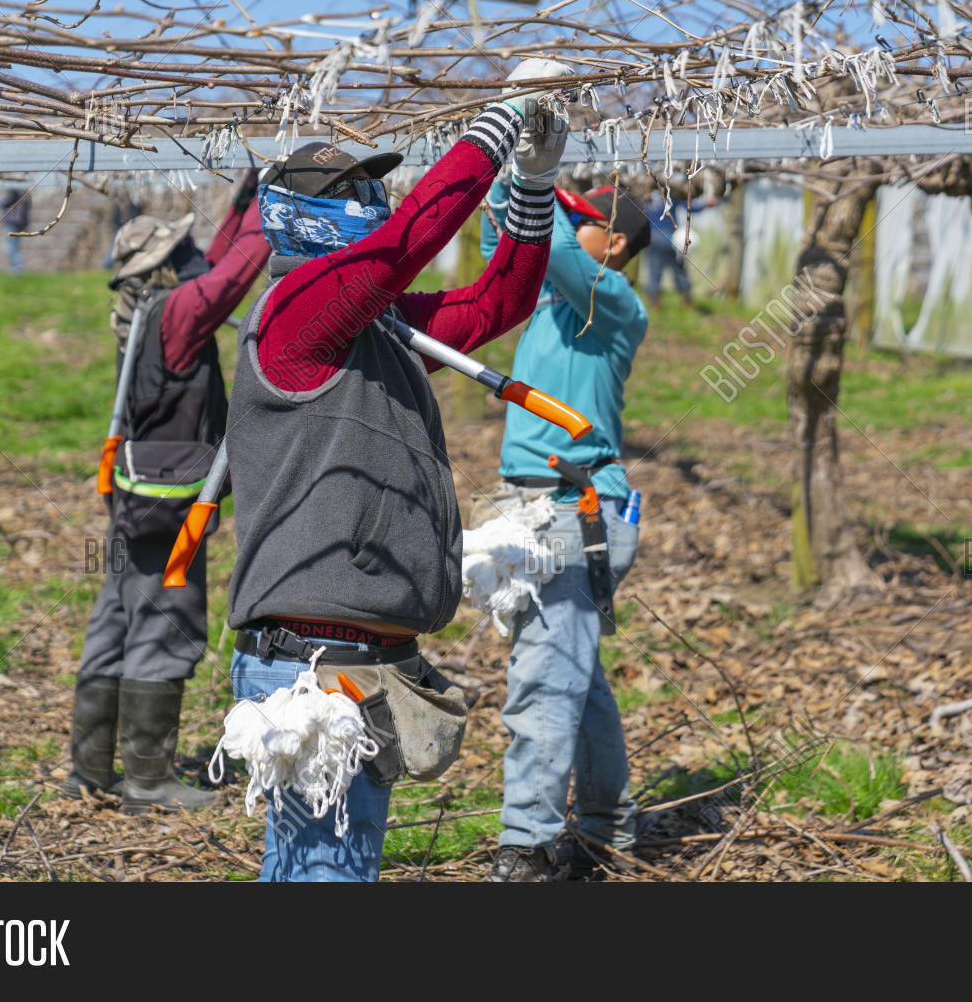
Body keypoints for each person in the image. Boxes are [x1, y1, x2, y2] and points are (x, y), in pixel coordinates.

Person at [225, 60, 571, 882]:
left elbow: (495, 305)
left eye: (373, 189)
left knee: (316, 871)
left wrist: (534, 181)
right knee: (328, 876)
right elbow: (404, 243)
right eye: (349, 189)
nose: (369, 201)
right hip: (318, 664)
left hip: (360, 652)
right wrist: (499, 121)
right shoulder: (295, 314)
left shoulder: (375, 326)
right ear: (299, 214)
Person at [65, 172, 270, 814]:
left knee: (114, 622)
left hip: (134, 502)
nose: (193, 256)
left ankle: (90, 770)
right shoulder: (177, 314)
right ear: (162, 268)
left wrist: (244, 204)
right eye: (181, 251)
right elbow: (232, 278)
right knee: (165, 624)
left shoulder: (149, 310)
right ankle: (150, 780)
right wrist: (278, 206)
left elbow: (216, 264)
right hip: (167, 509)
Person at [478, 179, 651, 881]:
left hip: (574, 511)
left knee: (546, 681)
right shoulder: (554, 295)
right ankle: (609, 830)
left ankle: (529, 848)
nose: (565, 226)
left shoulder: (613, 303)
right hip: (542, 506)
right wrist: (505, 170)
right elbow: (505, 242)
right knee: (577, 676)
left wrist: (537, 172)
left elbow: (544, 239)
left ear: (613, 244)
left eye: (583, 221)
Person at [642, 189, 693, 309]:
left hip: (652, 236)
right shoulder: (670, 193)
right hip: (670, 237)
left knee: (654, 271)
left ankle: (654, 306)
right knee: (679, 270)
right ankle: (689, 305)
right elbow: (690, 206)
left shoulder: (645, 194)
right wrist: (707, 203)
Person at [0, 188, 30, 273]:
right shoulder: (24, 196)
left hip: (12, 224)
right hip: (19, 224)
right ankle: (16, 268)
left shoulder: (14, 193)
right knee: (13, 247)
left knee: (12, 247)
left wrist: (3, 201)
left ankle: (18, 268)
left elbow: (4, 204)